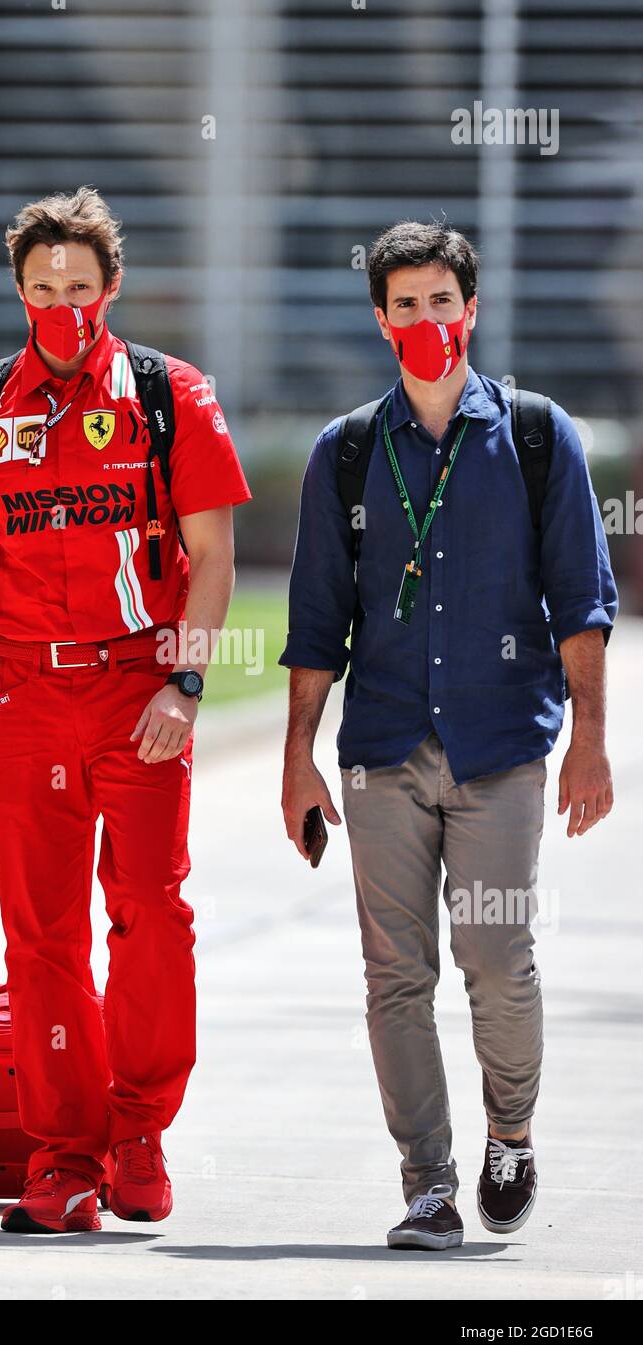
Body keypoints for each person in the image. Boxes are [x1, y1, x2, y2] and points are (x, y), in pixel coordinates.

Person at [0, 187, 251, 1234]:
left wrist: (185, 685)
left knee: (151, 913)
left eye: (80, 284)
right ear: (18, 289)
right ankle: (63, 1155)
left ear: (110, 287)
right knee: (40, 937)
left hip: (137, 689)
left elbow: (214, 559)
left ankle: (139, 1130)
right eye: (42, 285)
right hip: (22, 694)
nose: (62, 302)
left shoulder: (168, 393)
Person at [279, 220, 617, 1250]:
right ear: (378, 317)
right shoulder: (343, 455)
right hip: (380, 749)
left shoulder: (532, 434)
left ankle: (506, 1133)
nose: (424, 320)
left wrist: (590, 740)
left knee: (496, 954)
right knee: (393, 974)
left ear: (468, 309)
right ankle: (424, 1185)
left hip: (501, 745)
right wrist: (295, 753)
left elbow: (579, 601)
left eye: (441, 301)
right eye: (404, 303)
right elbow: (312, 621)